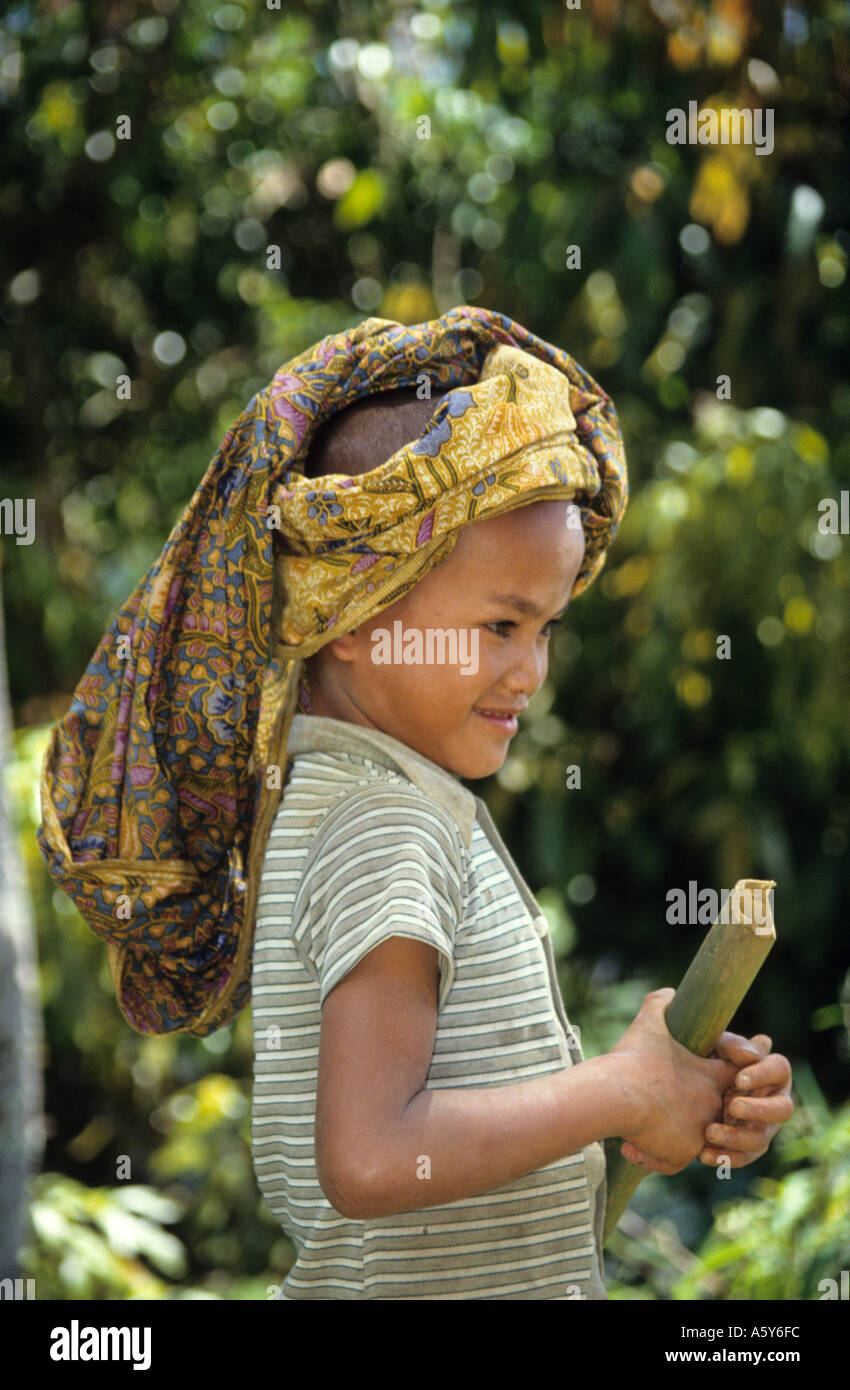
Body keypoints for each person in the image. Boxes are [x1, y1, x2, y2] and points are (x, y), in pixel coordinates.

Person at [250, 321, 794, 1301]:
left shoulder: (350, 792)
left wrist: (657, 1087)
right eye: (500, 624)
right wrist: (620, 1088)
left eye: (544, 629)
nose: (528, 671)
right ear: (351, 612)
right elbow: (372, 1156)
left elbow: (446, 1127)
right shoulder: (387, 820)